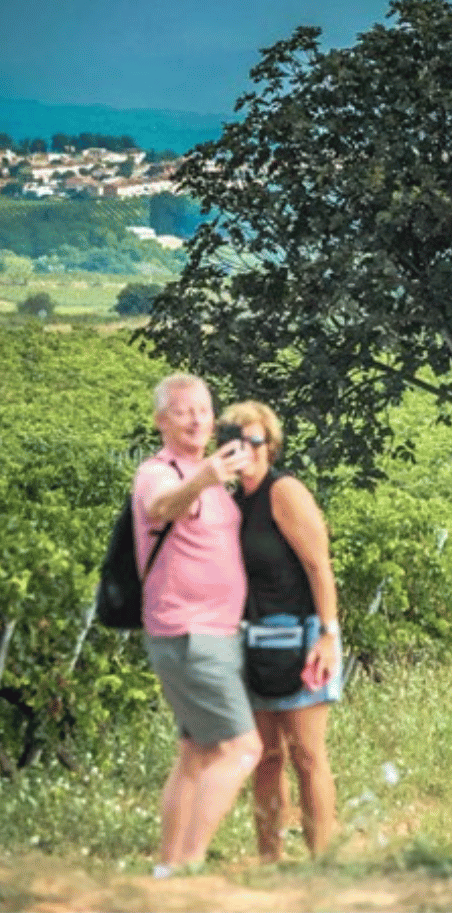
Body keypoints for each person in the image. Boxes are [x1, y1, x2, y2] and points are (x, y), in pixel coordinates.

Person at [132, 373, 260, 878]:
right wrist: (204, 478)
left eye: (203, 410)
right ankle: (189, 865)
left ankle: (168, 870)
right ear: (161, 421)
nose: (196, 420)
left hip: (212, 632)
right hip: (189, 633)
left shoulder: (211, 474)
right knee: (242, 749)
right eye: (183, 411)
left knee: (196, 754)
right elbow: (160, 506)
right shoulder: (158, 472)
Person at [219, 401, 341, 862]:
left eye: (255, 440)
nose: (245, 450)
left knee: (307, 754)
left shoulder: (284, 491)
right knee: (265, 756)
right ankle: (270, 861)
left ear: (270, 446)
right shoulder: (231, 503)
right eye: (235, 441)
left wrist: (327, 635)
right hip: (252, 642)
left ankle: (321, 862)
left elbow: (319, 565)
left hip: (303, 636)